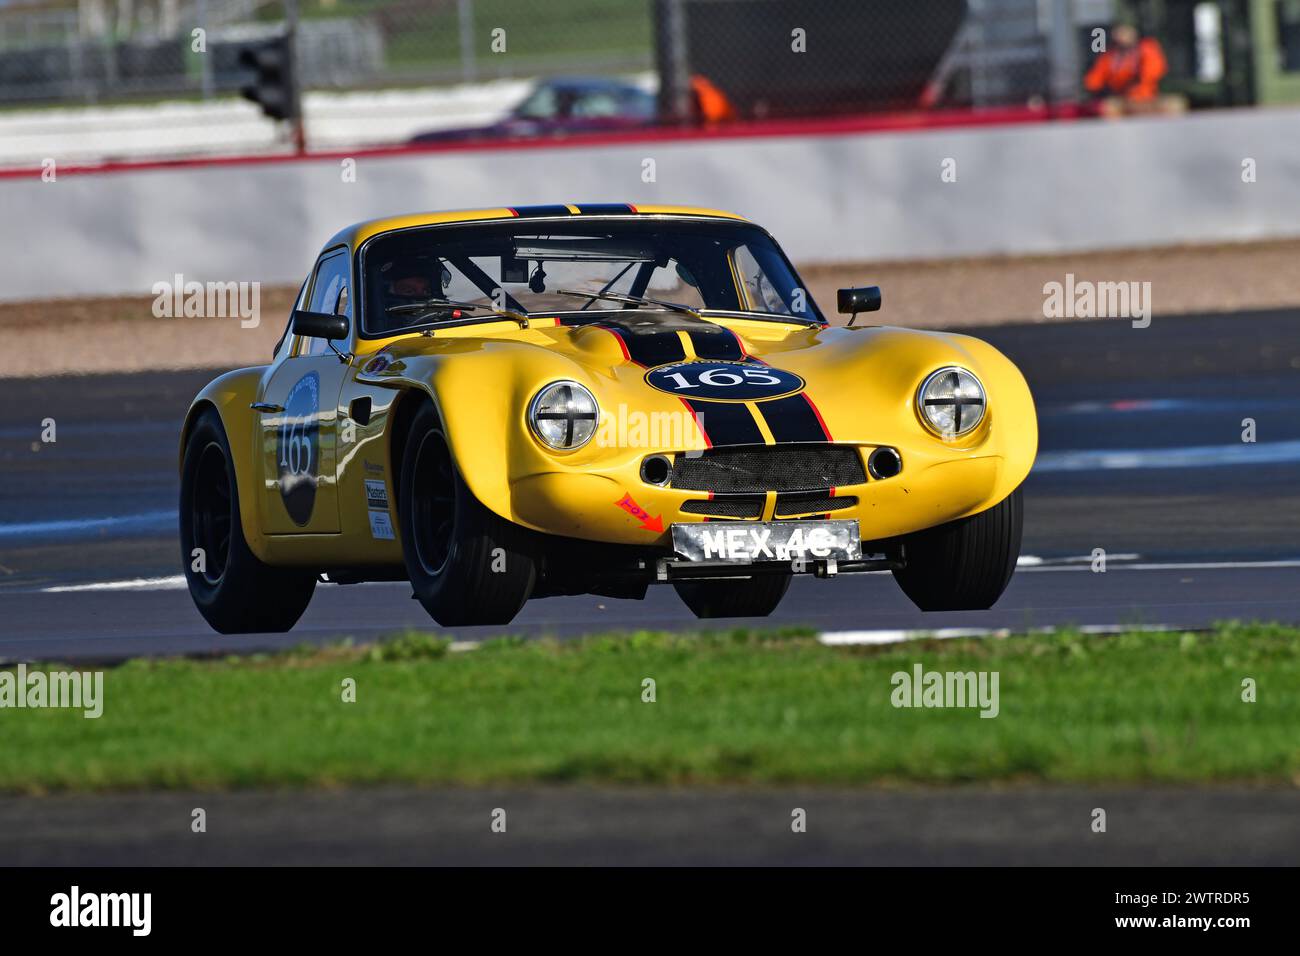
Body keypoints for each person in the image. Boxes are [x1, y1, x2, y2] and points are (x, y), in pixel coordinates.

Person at [1084, 23, 1174, 116]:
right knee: (1107, 109)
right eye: (1118, 35)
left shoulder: (1146, 49)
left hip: (1147, 98)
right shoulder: (1110, 56)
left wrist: (1135, 83)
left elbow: (1154, 71)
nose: (1121, 38)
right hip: (1122, 99)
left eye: (1124, 34)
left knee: (1173, 106)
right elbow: (1095, 79)